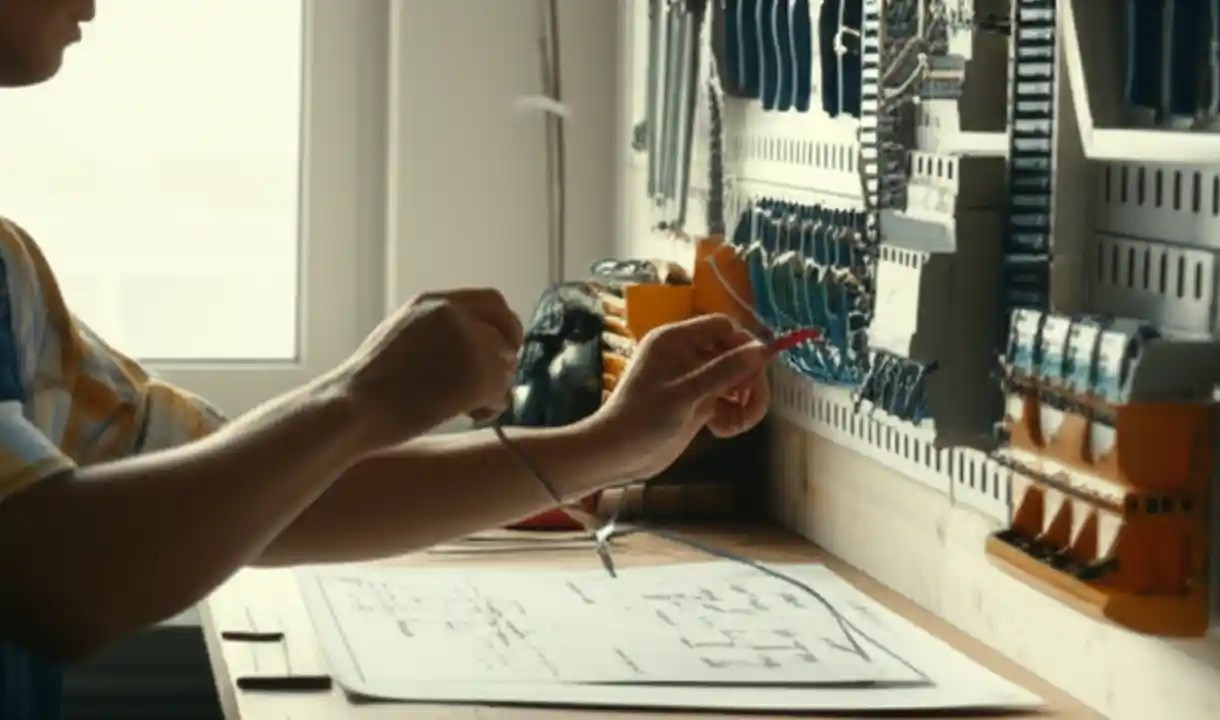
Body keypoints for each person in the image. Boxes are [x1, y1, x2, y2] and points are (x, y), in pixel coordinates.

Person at [0, 1, 771, 717]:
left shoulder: (9, 272)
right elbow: (65, 580)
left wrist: (612, 443)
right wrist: (359, 397)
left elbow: (253, 498)